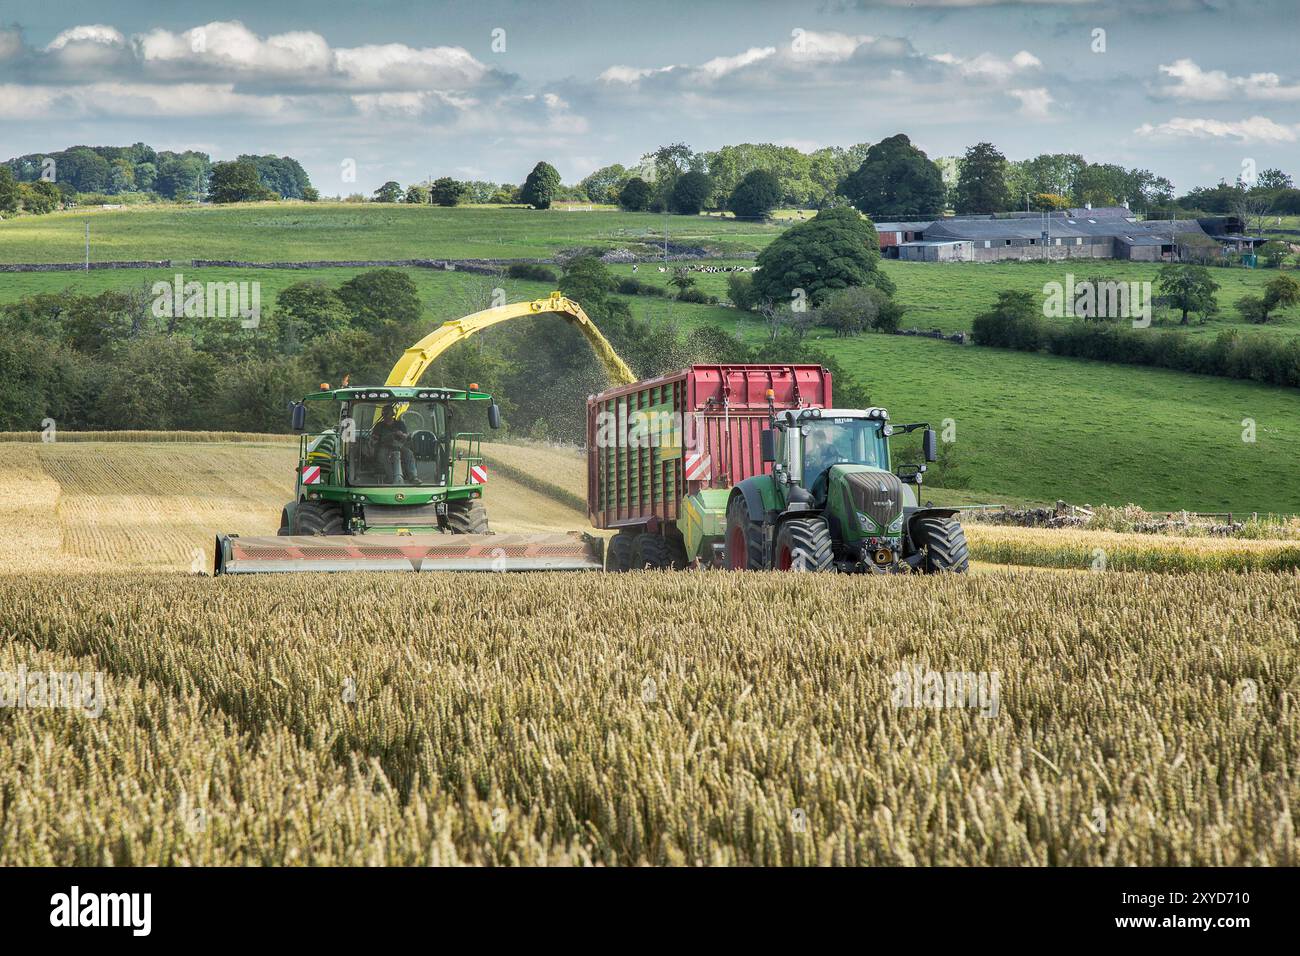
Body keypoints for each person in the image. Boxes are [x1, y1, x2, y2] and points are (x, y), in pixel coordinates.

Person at [371, 404, 419, 484]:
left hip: (399, 446)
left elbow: (406, 436)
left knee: (409, 453)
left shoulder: (400, 424)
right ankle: (391, 477)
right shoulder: (379, 425)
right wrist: (375, 439)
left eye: (387, 413)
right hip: (384, 446)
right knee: (382, 456)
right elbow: (374, 438)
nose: (385, 415)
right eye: (383, 413)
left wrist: (401, 434)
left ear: (392, 414)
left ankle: (413, 477)